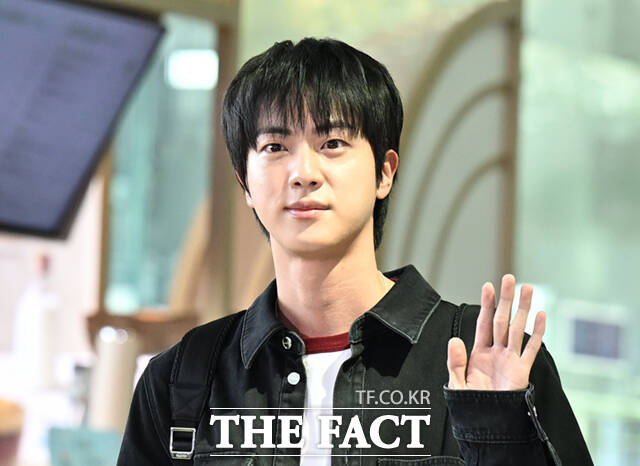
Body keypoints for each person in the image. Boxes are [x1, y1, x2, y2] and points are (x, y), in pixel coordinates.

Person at [117, 38, 592, 465]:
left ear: (385, 172)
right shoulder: (182, 378)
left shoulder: (483, 359)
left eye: (333, 143)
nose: (304, 173)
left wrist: (500, 434)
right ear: (244, 183)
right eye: (275, 146)